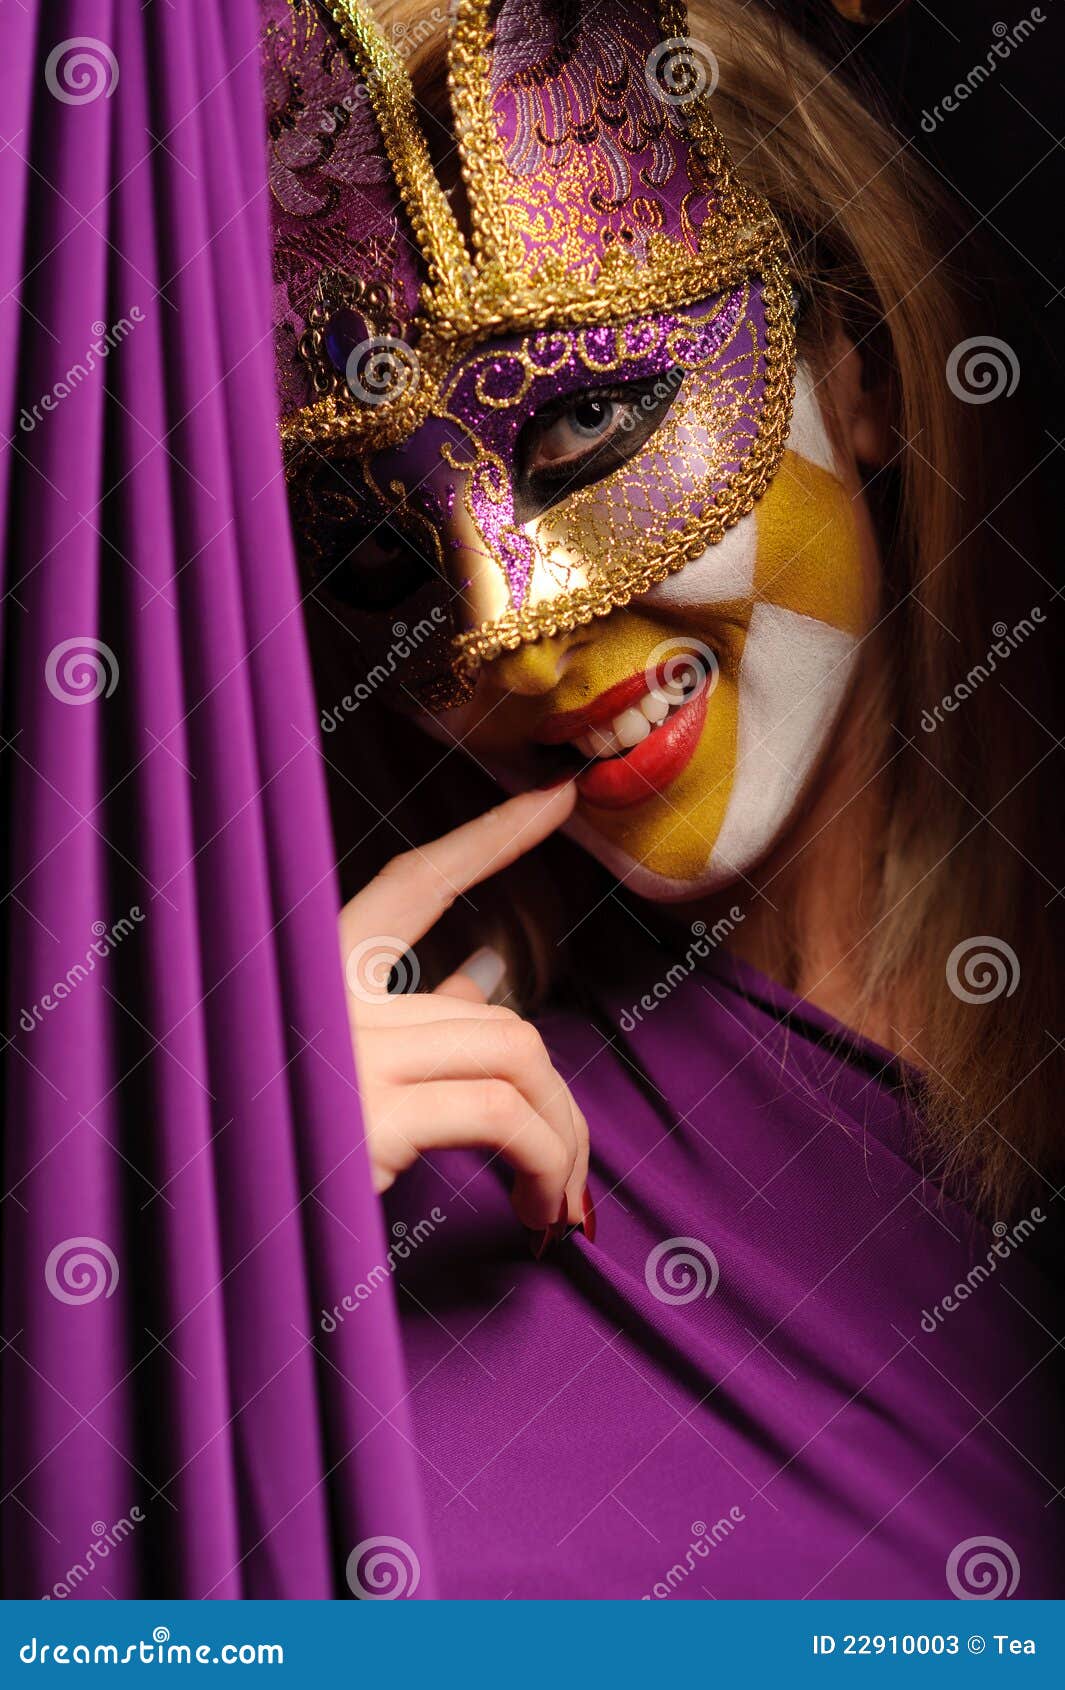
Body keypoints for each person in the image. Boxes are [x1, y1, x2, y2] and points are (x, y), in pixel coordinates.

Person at [264, 0, 1063, 1598]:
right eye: (381, 552)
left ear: (856, 365)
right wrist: (205, 1268)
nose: (507, 629)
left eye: (586, 420)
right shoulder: (372, 1166)